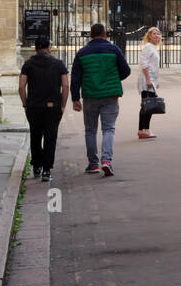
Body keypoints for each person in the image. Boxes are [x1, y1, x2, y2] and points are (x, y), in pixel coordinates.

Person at [70, 22, 131, 176]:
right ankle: (106, 161)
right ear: (105, 34)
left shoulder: (82, 52)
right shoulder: (114, 49)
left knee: (90, 130)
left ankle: (93, 164)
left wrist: (75, 98)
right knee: (108, 129)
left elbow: (75, 78)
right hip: (111, 95)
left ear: (90, 34)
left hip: (90, 95)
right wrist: (114, 79)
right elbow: (126, 71)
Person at [19, 36, 69, 183]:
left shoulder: (28, 64)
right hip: (53, 106)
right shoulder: (59, 64)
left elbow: (21, 86)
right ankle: (47, 170)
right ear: (49, 48)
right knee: (50, 137)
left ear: (35, 48)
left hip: (34, 106)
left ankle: (36, 166)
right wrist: (63, 104)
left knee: (35, 136)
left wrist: (25, 103)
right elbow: (65, 86)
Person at [137, 26, 162, 140]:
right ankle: (145, 130)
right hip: (147, 81)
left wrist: (155, 81)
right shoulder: (148, 47)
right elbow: (144, 64)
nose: (156, 35)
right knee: (149, 106)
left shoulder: (152, 47)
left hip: (151, 80)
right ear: (149, 36)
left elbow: (153, 66)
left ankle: (141, 130)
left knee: (145, 106)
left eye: (158, 34)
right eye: (154, 34)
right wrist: (148, 80)